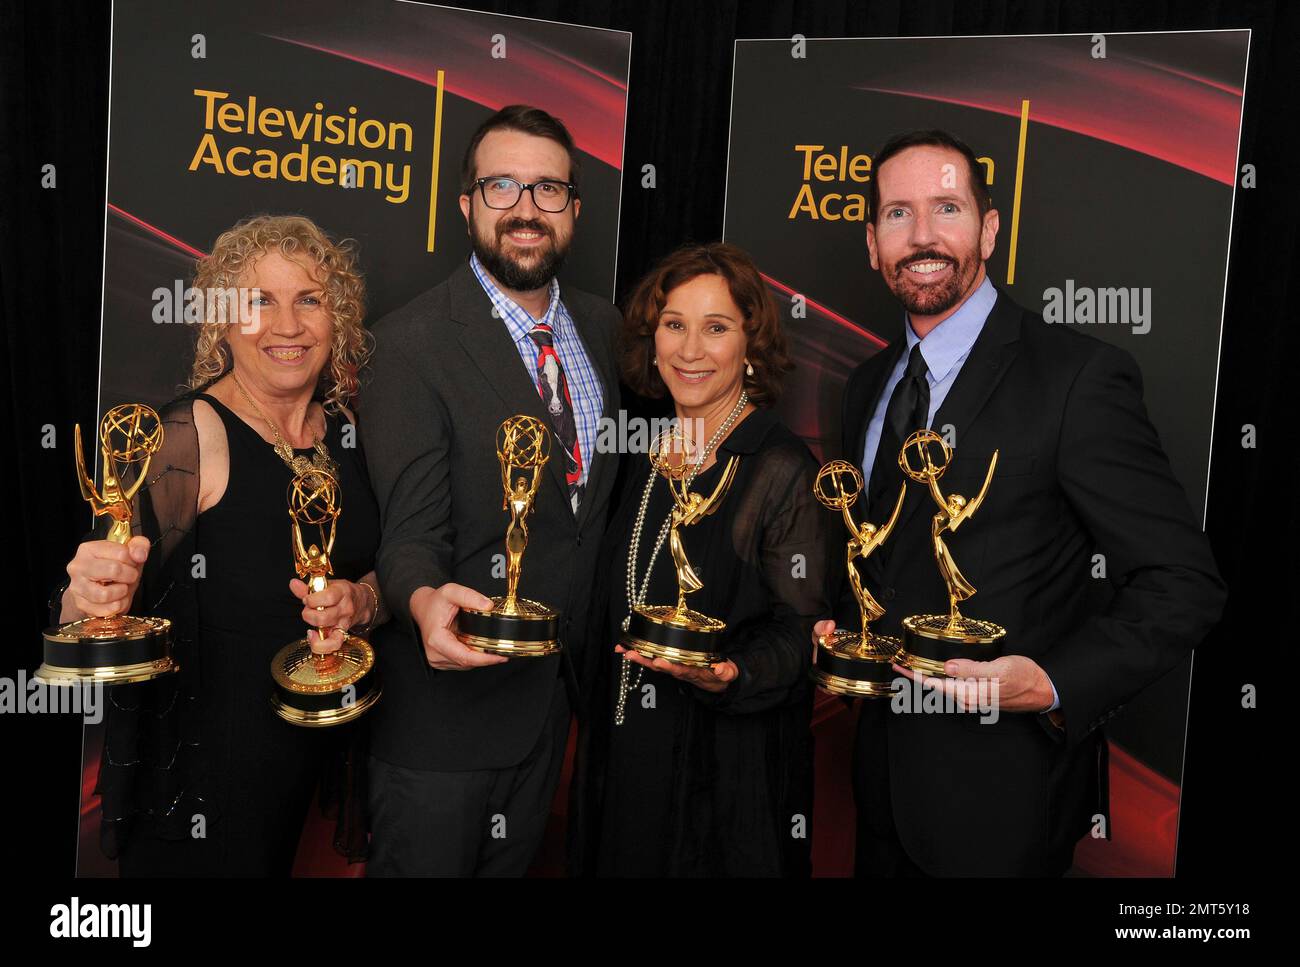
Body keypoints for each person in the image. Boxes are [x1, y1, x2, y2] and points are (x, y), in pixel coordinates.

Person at [815, 130, 1226, 876]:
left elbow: (1183, 584)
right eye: (899, 214)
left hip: (1004, 806)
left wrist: (1053, 682)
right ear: (873, 243)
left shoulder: (1078, 379)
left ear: (990, 229)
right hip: (880, 797)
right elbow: (885, 558)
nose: (925, 236)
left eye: (948, 207)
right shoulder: (869, 385)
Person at [53, 214, 386, 876]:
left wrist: (362, 600)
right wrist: (83, 596)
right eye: (258, 300)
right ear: (223, 321)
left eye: (309, 299)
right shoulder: (189, 433)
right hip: (200, 795)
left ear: (337, 318)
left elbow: (372, 569)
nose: (287, 325)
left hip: (298, 774)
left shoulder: (344, 431)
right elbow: (97, 599)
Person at [361, 105, 621, 876]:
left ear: (574, 209)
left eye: (547, 189)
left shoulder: (612, 333)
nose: (525, 210)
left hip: (556, 709)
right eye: (501, 186)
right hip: (443, 720)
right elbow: (409, 529)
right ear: (468, 203)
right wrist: (418, 600)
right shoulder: (409, 344)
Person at [571, 243, 831, 877]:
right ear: (651, 339)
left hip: (723, 775)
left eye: (716, 328)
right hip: (626, 749)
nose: (690, 351)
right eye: (674, 325)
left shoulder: (779, 467)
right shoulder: (645, 452)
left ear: (751, 344)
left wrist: (731, 673)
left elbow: (801, 635)